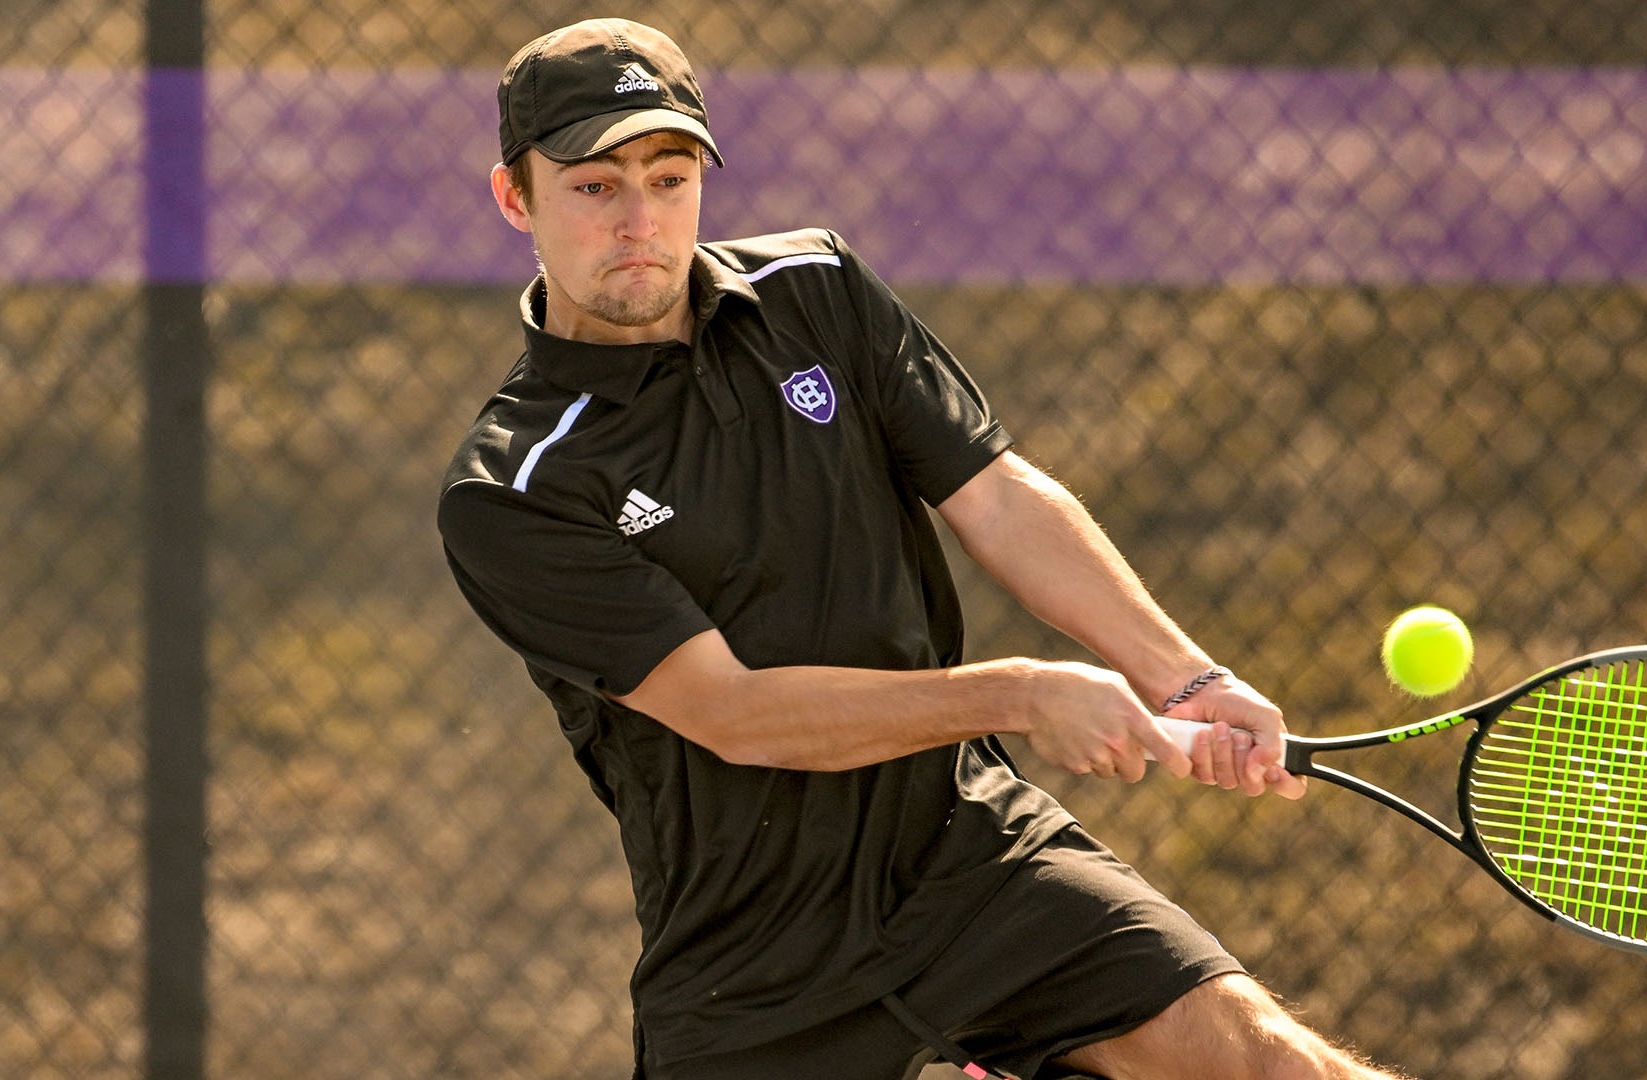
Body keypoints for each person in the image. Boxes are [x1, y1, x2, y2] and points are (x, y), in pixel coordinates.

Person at [438, 17, 1409, 1080]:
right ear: (515, 197)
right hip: (753, 971)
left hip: (968, 856)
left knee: (1276, 1066)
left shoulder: (818, 293)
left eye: (669, 180)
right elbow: (740, 714)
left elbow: (995, 498)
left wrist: (1185, 677)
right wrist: (1023, 694)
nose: (640, 220)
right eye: (594, 188)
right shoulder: (512, 490)